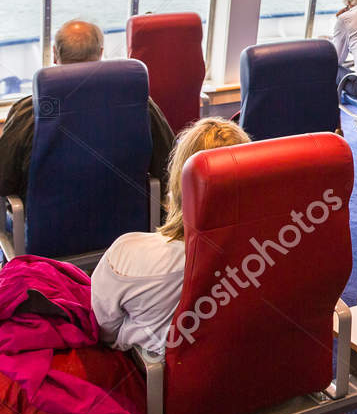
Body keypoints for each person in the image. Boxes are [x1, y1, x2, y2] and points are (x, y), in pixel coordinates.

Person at [91, 118, 250, 357]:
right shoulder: (274, 250)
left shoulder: (127, 255)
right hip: (252, 379)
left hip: (156, 386)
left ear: (177, 182)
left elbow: (103, 331)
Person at [0, 19, 175, 203]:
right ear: (100, 53)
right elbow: (168, 164)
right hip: (129, 224)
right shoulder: (138, 103)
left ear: (54, 54)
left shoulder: (30, 111)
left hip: (48, 230)